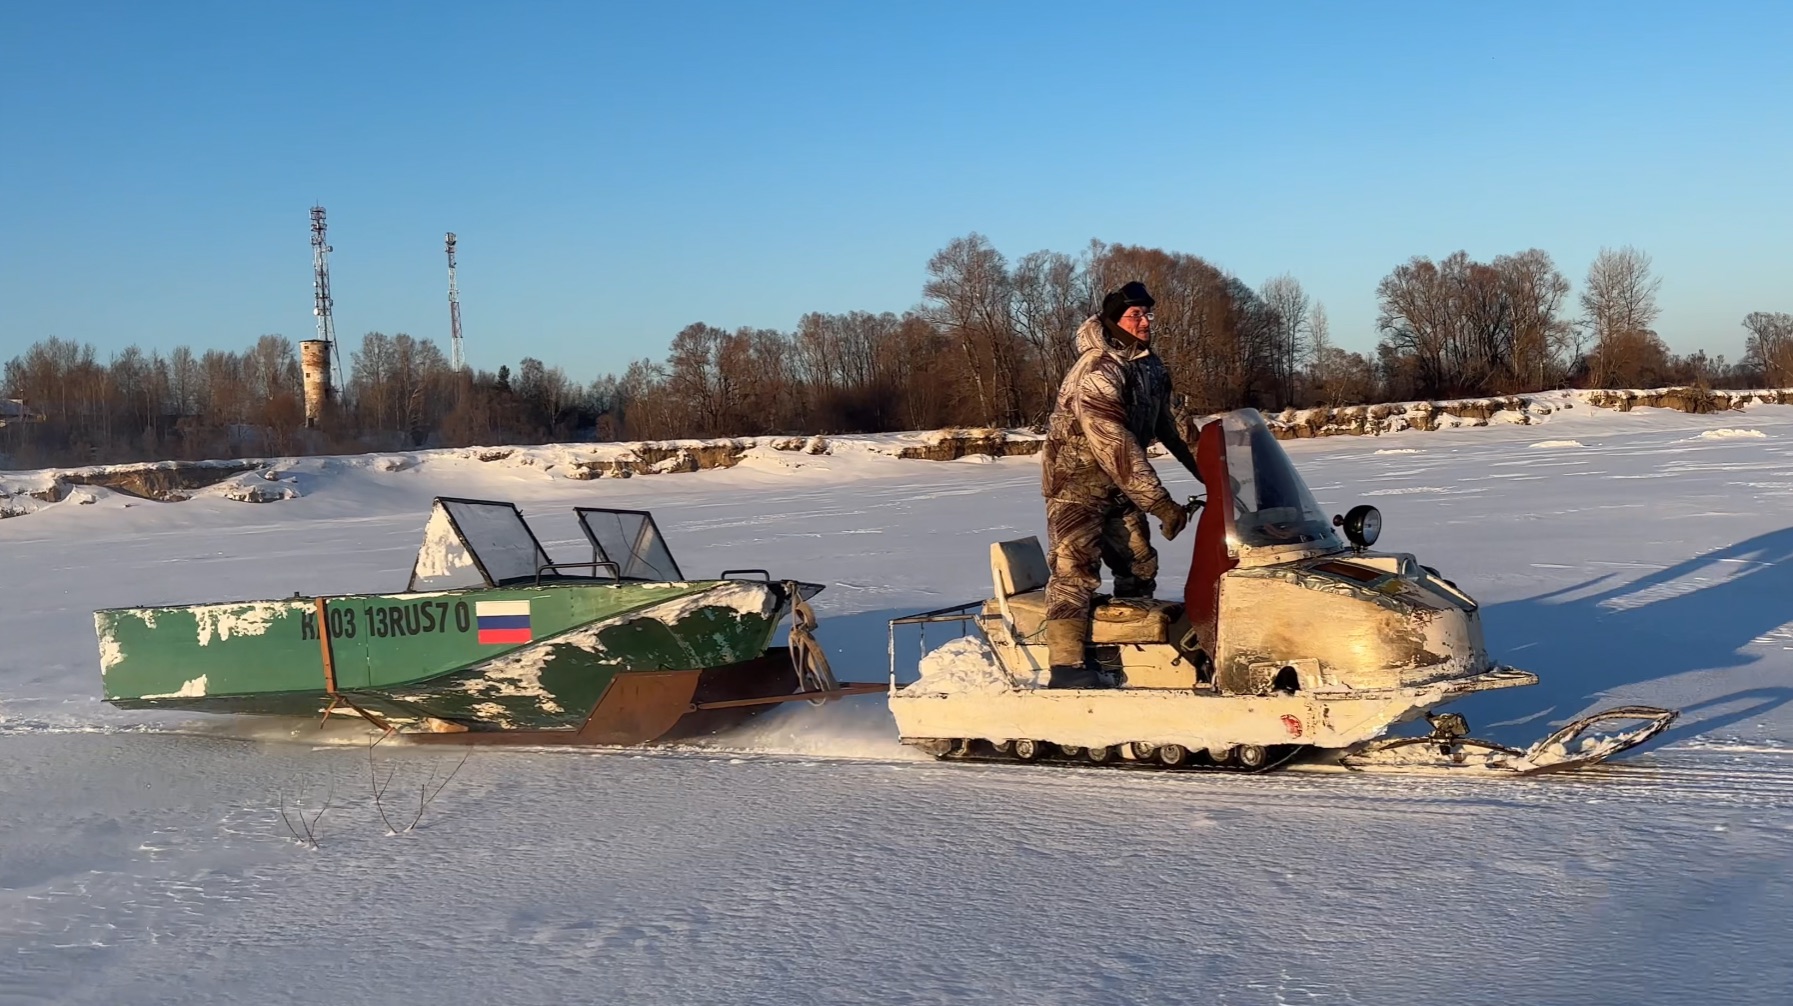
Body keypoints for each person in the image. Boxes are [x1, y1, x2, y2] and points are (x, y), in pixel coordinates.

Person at [1038, 281, 1201, 688]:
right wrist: (1160, 503)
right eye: (1136, 315)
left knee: (1139, 562)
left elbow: (1173, 427)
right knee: (1075, 570)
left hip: (1118, 485)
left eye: (1148, 314)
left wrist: (1219, 476)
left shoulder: (1149, 366)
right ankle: (1066, 667)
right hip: (1076, 485)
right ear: (1114, 321)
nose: (1145, 322)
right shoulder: (1097, 370)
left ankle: (1132, 648)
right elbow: (1115, 444)